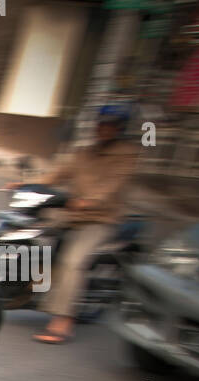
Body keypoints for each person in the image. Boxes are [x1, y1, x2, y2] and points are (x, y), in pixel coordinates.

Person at [23, 103, 138, 344]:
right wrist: (27, 184)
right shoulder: (84, 152)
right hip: (72, 214)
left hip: (100, 219)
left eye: (110, 126)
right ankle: (33, 285)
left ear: (119, 129)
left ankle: (63, 321)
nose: (103, 129)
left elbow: (112, 185)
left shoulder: (126, 155)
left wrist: (90, 201)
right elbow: (57, 173)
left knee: (73, 261)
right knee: (33, 233)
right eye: (101, 124)